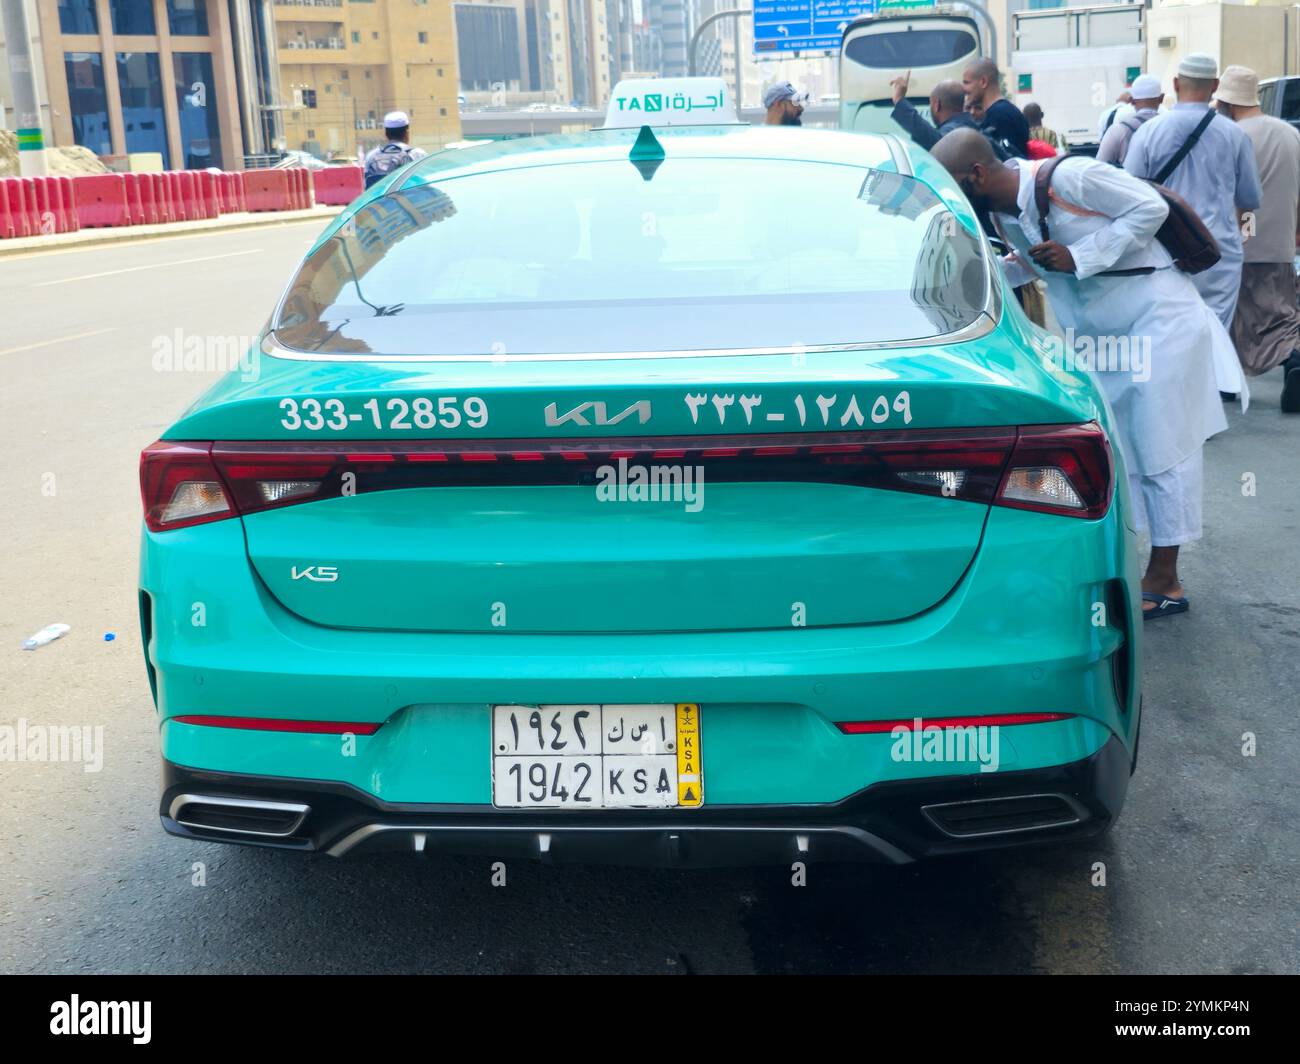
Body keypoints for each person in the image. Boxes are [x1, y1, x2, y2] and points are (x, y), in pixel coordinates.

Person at [932, 129, 1233, 619]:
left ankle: (1166, 579)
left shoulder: (1070, 176)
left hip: (1160, 322)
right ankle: (1126, 566)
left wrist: (1082, 255)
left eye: (955, 187)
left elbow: (1148, 208)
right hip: (1106, 339)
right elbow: (1029, 267)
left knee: (1163, 449)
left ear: (978, 175)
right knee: (1121, 453)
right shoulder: (1004, 214)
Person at [1124, 54, 1261, 353]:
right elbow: (1250, 198)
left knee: (1169, 329)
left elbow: (1130, 191)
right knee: (1214, 334)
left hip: (1165, 250)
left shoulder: (1149, 132)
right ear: (1214, 86)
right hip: (1219, 251)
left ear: (1175, 84)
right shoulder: (1235, 135)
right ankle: (1212, 392)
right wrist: (1246, 234)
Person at [1215, 65, 1300, 410]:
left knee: (1238, 316)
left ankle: (1234, 378)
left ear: (1227, 101)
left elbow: (1228, 193)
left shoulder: (1231, 135)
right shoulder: (1290, 134)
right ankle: (1291, 358)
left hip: (1243, 240)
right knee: (1281, 310)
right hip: (1282, 240)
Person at [888, 72, 975, 151]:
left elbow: (936, 141)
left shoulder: (955, 131)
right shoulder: (971, 124)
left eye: (931, 103)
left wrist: (899, 100)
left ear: (937, 105)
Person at [962, 58, 1030, 157]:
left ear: (983, 82)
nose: (963, 88)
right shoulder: (1004, 111)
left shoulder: (1000, 116)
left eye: (967, 82)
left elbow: (1008, 162)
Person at [1096, 74, 1164, 166]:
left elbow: (1100, 166)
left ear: (1131, 101)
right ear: (1161, 98)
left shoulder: (1118, 130)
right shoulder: (1172, 128)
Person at [363, 111, 428, 189]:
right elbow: (426, 184)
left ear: (386, 134)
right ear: (407, 132)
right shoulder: (417, 154)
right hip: (408, 200)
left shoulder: (371, 156)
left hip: (379, 201)